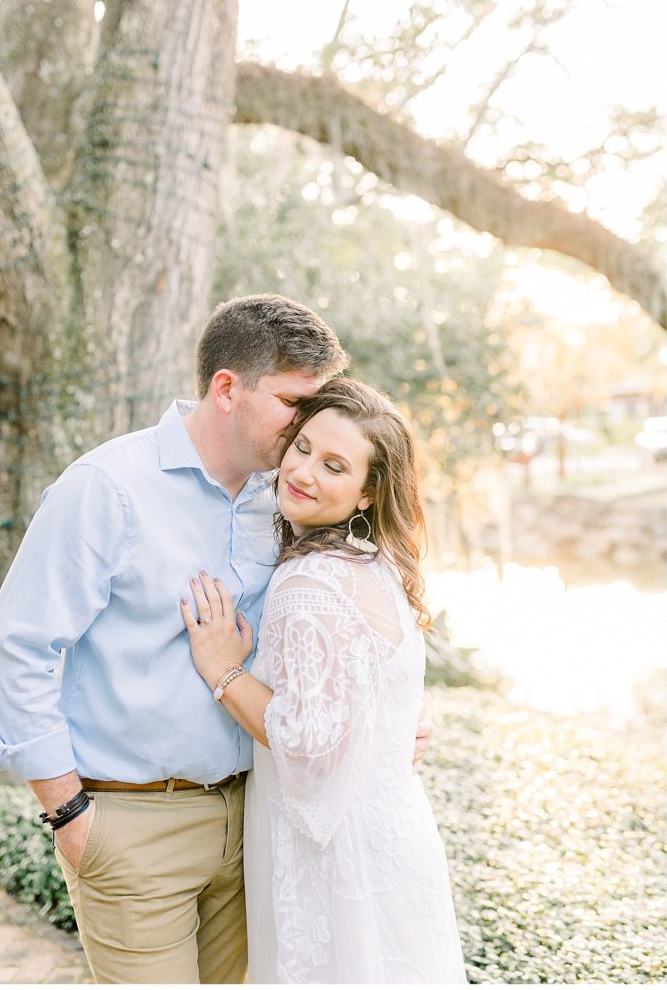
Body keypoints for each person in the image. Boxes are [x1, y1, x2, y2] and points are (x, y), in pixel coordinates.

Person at [0, 294, 355, 983]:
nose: (306, 426)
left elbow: (339, 617)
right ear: (227, 388)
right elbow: (19, 646)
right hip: (133, 825)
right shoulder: (107, 487)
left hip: (257, 820)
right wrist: (70, 814)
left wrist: (388, 711)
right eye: (291, 403)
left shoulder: (287, 496)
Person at [182, 378, 466, 983]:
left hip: (336, 855)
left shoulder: (307, 584)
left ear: (368, 493)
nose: (303, 472)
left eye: (334, 466)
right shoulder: (379, 567)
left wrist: (222, 669)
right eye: (303, 447)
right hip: (397, 839)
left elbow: (308, 744)